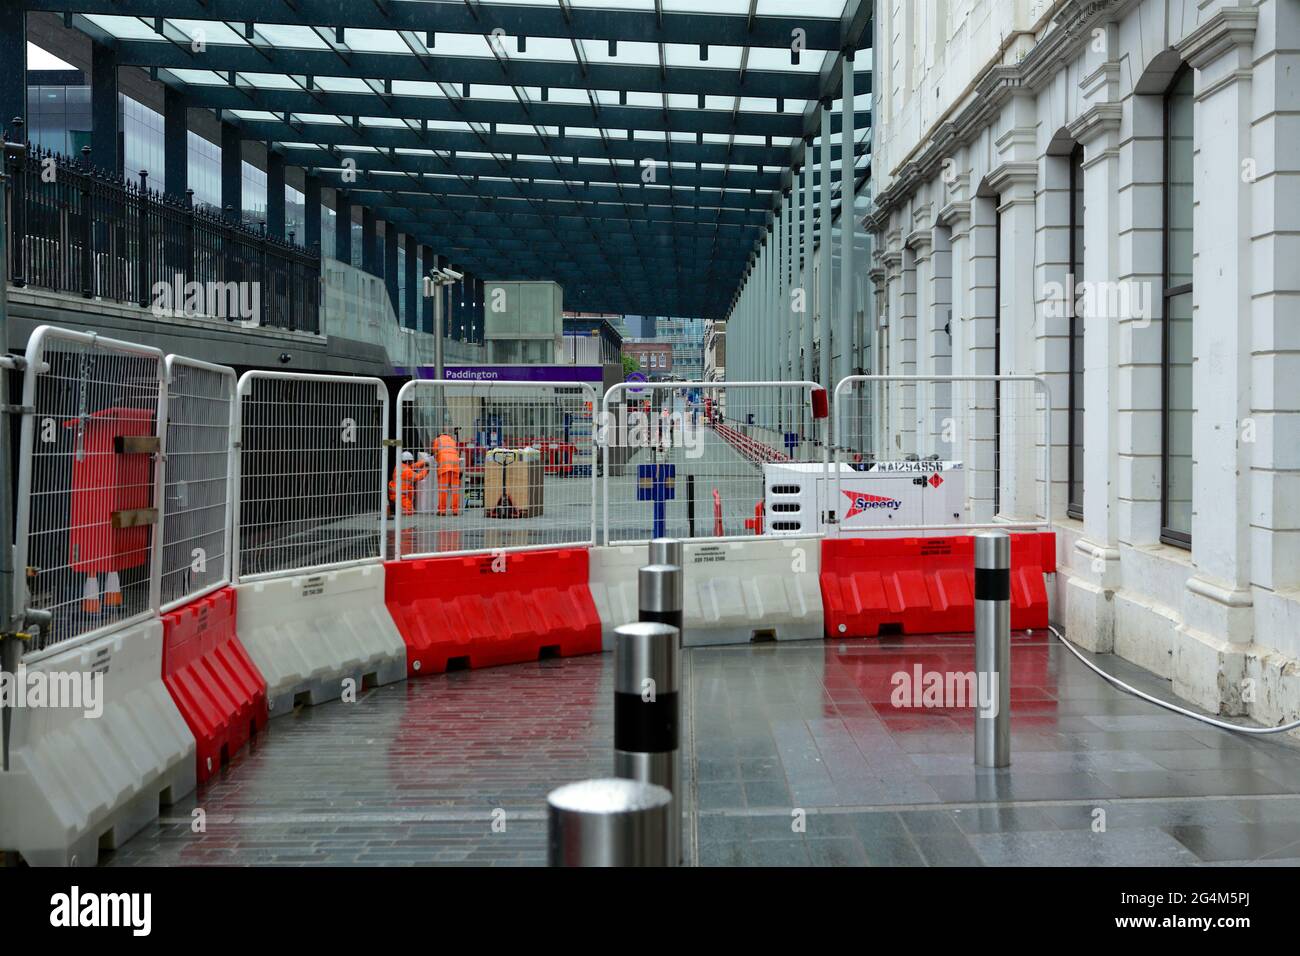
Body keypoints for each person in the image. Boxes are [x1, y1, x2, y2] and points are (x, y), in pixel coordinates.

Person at [389, 451, 428, 516]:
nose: (412, 462)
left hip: (399, 493)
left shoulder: (400, 466)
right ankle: (398, 510)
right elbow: (419, 477)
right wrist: (426, 470)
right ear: (407, 461)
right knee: (409, 511)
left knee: (409, 509)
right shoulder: (406, 471)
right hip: (400, 496)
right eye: (411, 461)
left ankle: (398, 507)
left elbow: (413, 466)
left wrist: (423, 463)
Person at [433, 433, 462, 516]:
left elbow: (434, 453)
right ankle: (455, 510)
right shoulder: (453, 441)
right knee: (455, 490)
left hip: (444, 466)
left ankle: (442, 511)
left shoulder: (437, 440)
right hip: (455, 466)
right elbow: (457, 452)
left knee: (443, 490)